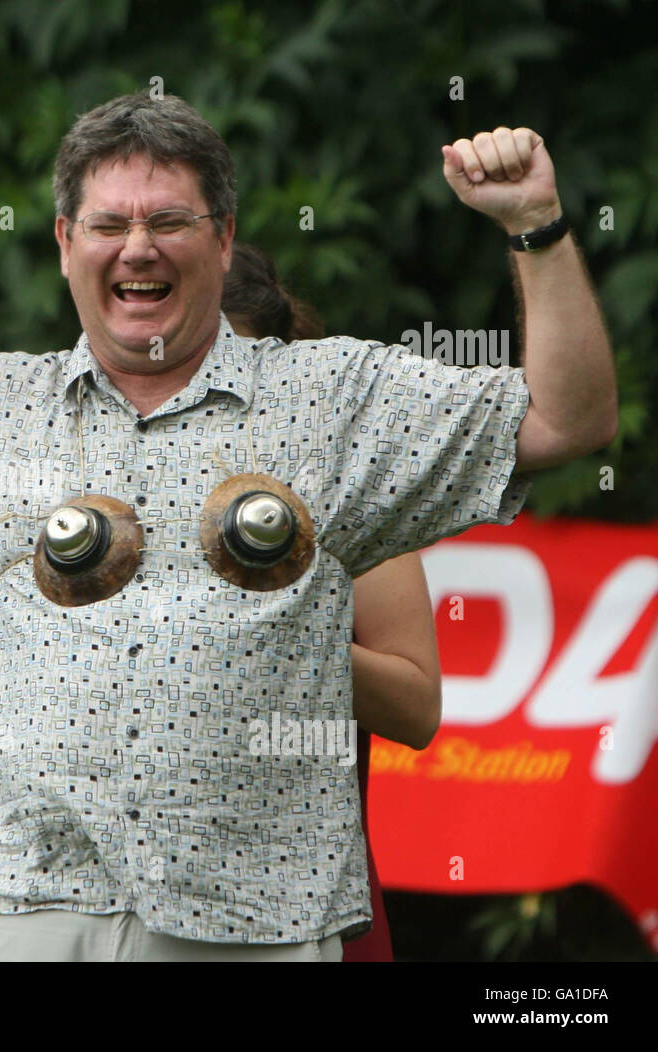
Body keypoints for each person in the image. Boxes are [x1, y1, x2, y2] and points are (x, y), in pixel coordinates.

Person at [0, 93, 615, 962]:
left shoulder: (334, 399)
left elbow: (565, 422)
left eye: (168, 221)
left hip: (257, 912)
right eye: (108, 224)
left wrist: (534, 225)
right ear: (65, 243)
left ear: (224, 240)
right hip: (27, 902)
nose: (138, 247)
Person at [222, 242, 444, 962]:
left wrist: (282, 631)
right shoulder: (98, 495)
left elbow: (415, 708)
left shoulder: (343, 489)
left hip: (313, 910)